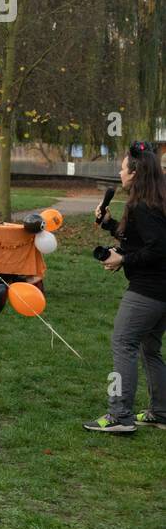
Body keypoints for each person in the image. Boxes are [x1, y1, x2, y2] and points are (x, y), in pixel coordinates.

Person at [84, 141, 166, 433]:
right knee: (149, 349)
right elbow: (141, 237)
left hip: (148, 291)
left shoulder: (144, 206)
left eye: (122, 167)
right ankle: (160, 412)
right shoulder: (154, 200)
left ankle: (119, 416)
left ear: (135, 172)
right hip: (160, 292)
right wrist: (109, 225)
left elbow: (158, 248)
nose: (119, 172)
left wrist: (123, 259)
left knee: (123, 343)